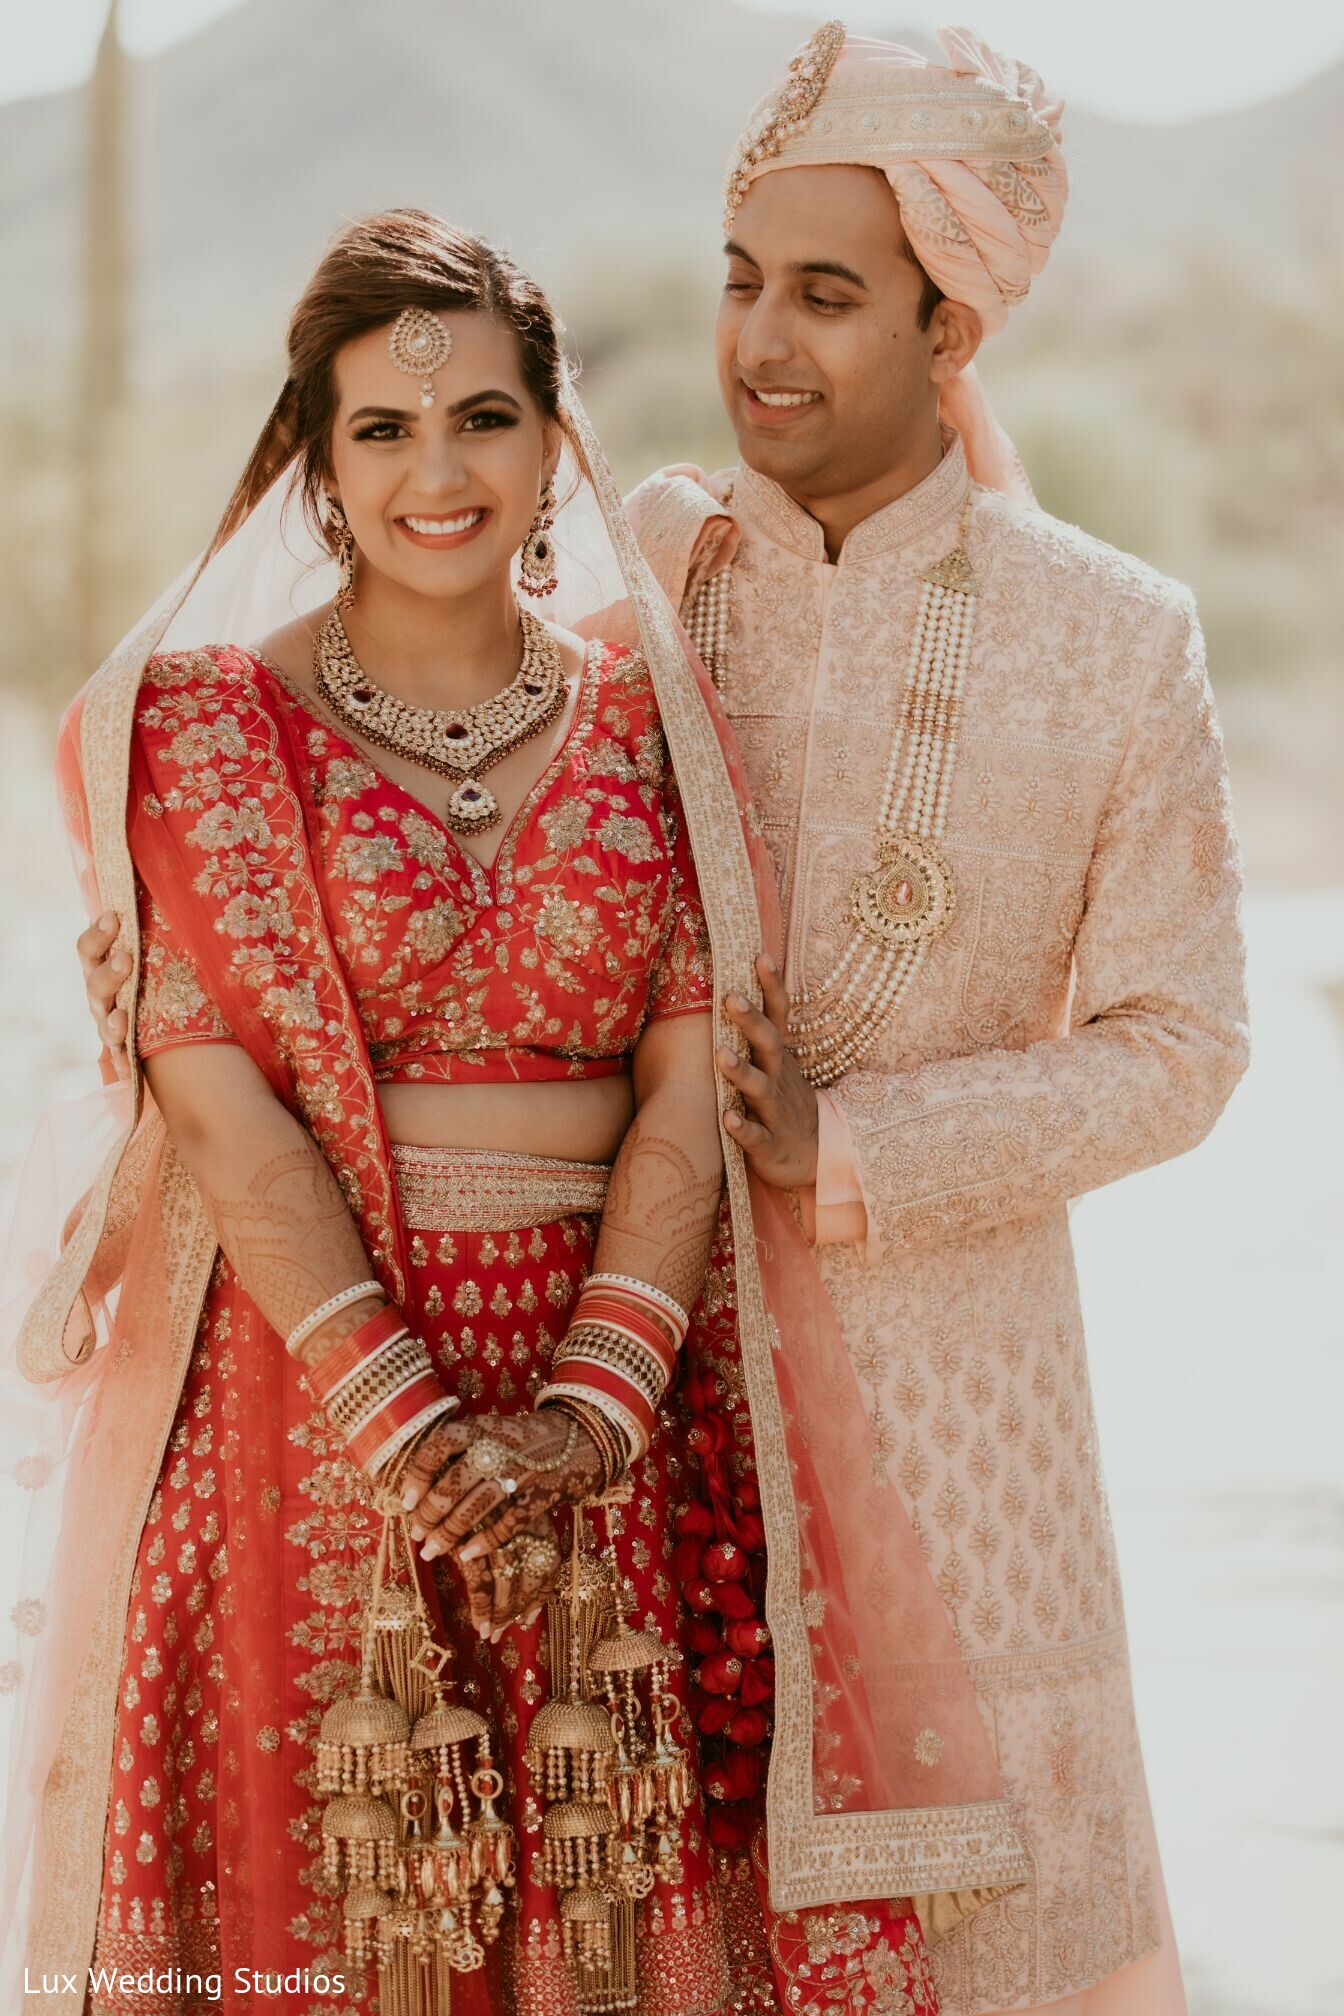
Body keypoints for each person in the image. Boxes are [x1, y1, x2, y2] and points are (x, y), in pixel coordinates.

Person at [69, 20, 1251, 2016]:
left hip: (948, 1406)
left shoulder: (1114, 640)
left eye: (826, 297)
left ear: (956, 325)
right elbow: (418, 763)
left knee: (991, 1942)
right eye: (735, 280)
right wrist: (156, 947)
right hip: (648, 1408)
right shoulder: (663, 579)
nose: (759, 344)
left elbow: (1187, 1045)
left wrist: (864, 1145)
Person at [3, 207, 1019, 2016]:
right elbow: (222, 1100)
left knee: (606, 1923)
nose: (436, 470)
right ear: (314, 460)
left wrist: (596, 1402)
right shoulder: (201, 729)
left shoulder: (660, 722)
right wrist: (400, 1420)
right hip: (296, 1411)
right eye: (380, 429)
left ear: (558, 434)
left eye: (481, 415)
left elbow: (694, 1072)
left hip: (611, 1423)